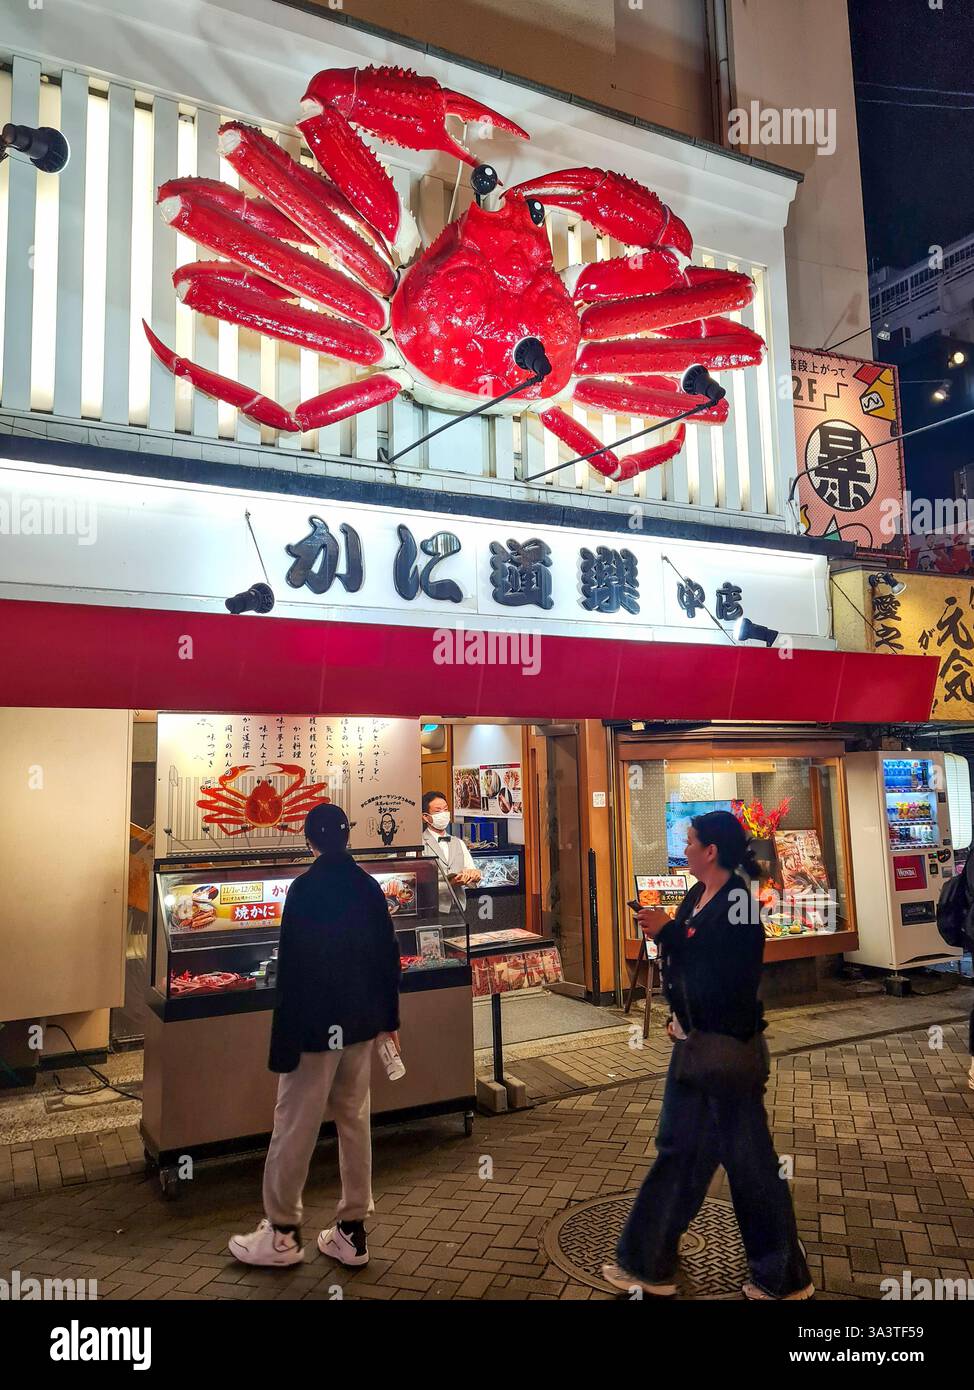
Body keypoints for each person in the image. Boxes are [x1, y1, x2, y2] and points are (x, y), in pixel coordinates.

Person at [603, 810, 814, 1301]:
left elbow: (733, 974)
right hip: (696, 1046)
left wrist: (670, 934)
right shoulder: (698, 895)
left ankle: (777, 1275)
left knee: (747, 1164)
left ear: (711, 850)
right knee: (685, 1153)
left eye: (691, 840)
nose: (685, 846)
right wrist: (668, 940)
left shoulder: (739, 900)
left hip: (726, 1051)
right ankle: (648, 1262)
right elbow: (686, 959)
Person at [230, 803, 401, 1269]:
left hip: (314, 1031)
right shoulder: (367, 887)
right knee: (354, 1121)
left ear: (309, 840)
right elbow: (388, 956)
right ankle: (352, 1231)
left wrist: (283, 1040)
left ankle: (282, 1234)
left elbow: (293, 971)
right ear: (347, 838)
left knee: (295, 1126)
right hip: (361, 1026)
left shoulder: (304, 891)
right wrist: (388, 1022)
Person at [421, 790, 481, 913]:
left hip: (459, 909)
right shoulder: (418, 844)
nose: (443, 814)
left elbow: (470, 870)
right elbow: (416, 884)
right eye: (438, 811)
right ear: (425, 817)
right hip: (429, 910)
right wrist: (450, 883)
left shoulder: (458, 842)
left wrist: (474, 875)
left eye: (445, 810)